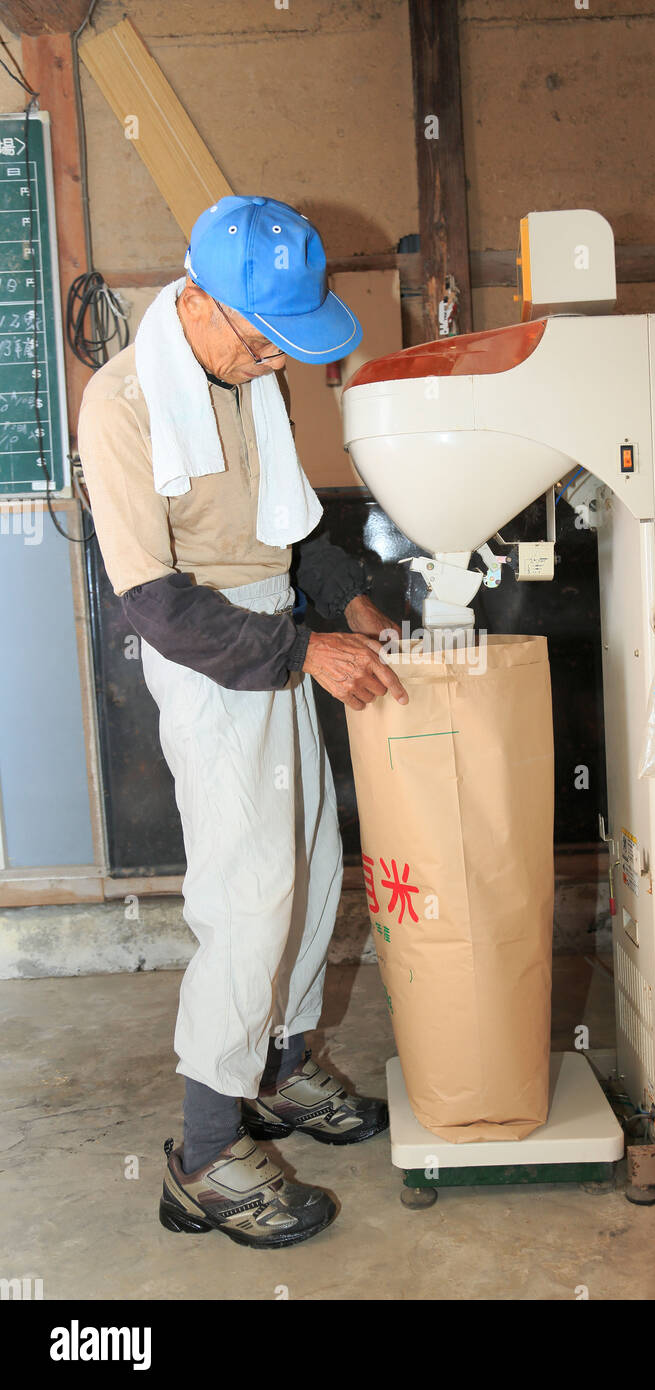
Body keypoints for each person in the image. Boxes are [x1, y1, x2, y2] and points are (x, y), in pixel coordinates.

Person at [77, 195, 408, 1250]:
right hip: (212, 659)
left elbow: (288, 528)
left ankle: (281, 1063)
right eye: (265, 343)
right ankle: (205, 1152)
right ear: (201, 305)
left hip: (276, 640)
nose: (276, 365)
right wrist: (302, 650)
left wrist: (348, 599)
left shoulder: (242, 377)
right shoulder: (125, 404)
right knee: (250, 892)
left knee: (309, 870)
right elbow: (157, 603)